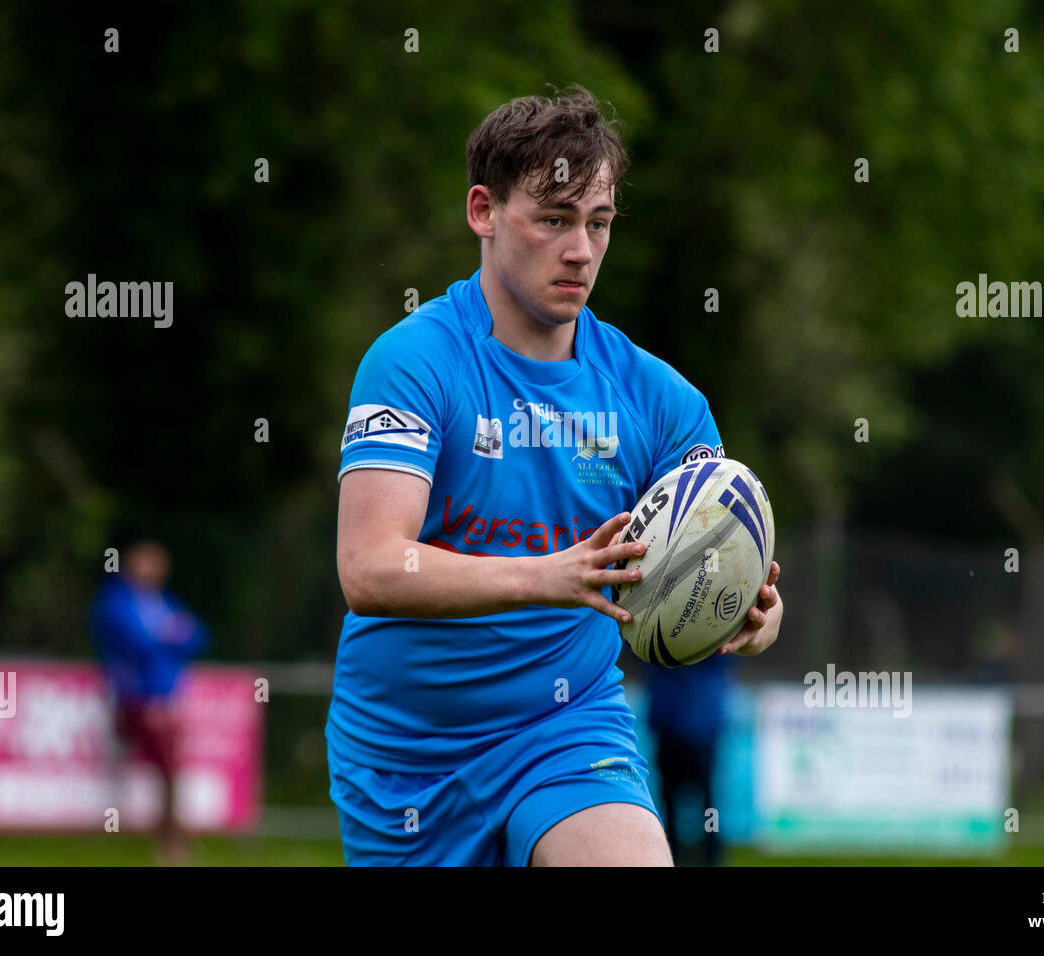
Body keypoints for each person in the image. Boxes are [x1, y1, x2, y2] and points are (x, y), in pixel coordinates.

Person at [327, 85, 783, 867]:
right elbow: (369, 567)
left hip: (566, 730)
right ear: (483, 210)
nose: (581, 250)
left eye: (598, 223)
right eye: (554, 219)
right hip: (408, 752)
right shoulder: (412, 364)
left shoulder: (660, 400)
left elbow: (717, 543)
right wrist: (550, 576)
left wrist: (749, 611)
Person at [91, 539, 210, 863]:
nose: (152, 569)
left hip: (165, 698)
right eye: (146, 562)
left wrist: (166, 636)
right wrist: (170, 635)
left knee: (169, 771)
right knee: (152, 769)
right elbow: (137, 642)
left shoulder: (165, 601)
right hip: (135, 699)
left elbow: (198, 636)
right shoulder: (116, 600)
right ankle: (162, 838)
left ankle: (171, 838)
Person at [646, 651, 736, 867]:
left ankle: (711, 857)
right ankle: (671, 857)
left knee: (709, 805)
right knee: (669, 803)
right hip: (670, 727)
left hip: (701, 729)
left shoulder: (717, 637)